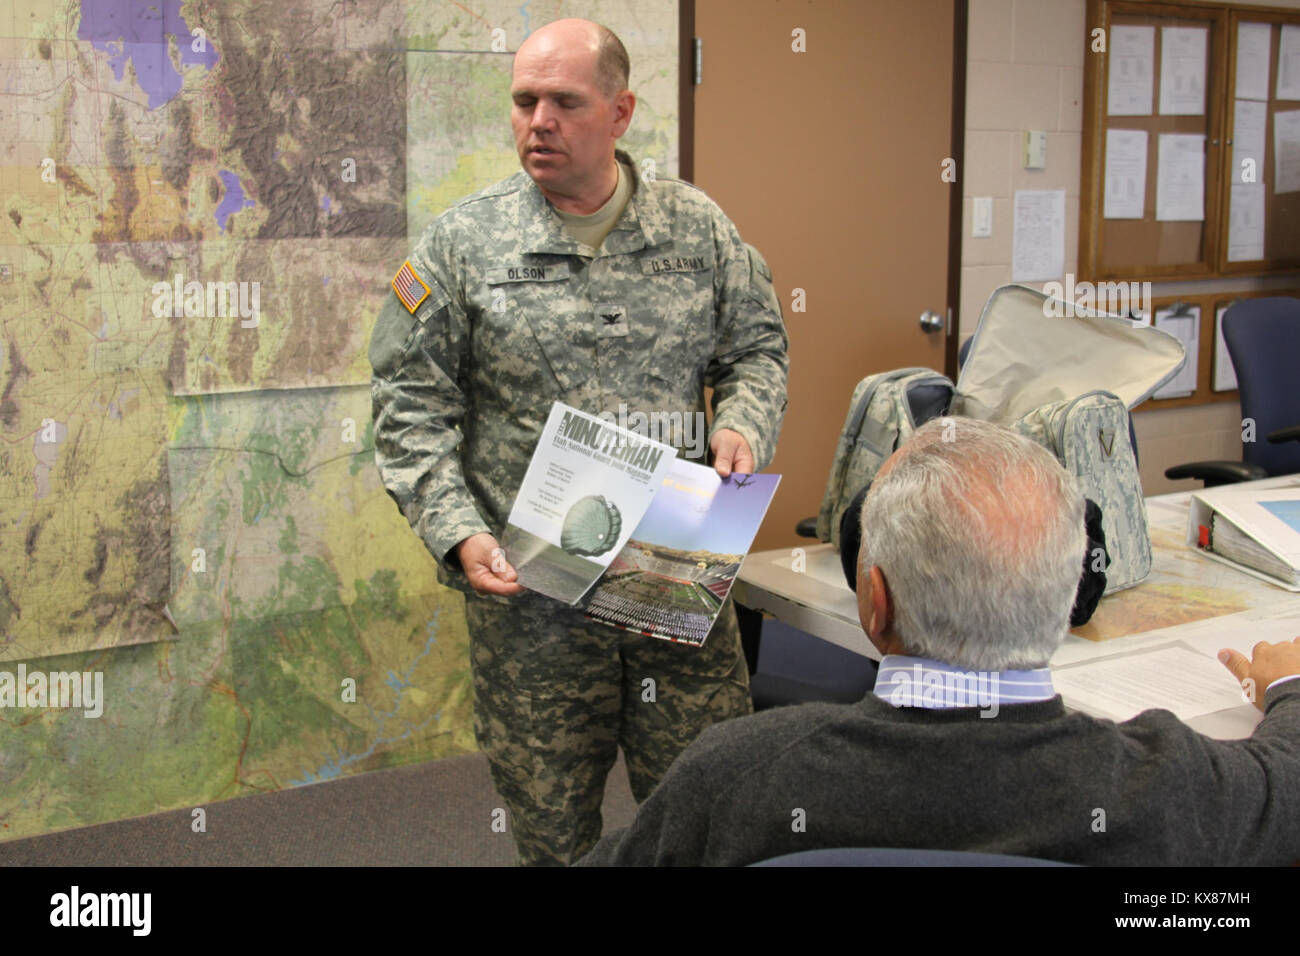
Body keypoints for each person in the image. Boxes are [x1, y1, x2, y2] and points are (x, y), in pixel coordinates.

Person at [368, 18, 788, 865]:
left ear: (621, 111)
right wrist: (457, 532)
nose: (537, 121)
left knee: (714, 822)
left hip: (675, 577)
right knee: (556, 840)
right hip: (536, 604)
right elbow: (409, 408)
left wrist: (744, 421)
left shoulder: (697, 230)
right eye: (524, 101)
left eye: (564, 101)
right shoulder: (464, 246)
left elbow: (756, 351)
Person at [575, 418, 1300, 866]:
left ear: (873, 602)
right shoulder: (1171, 788)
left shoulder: (735, 777)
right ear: (1065, 593)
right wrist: (1288, 690)